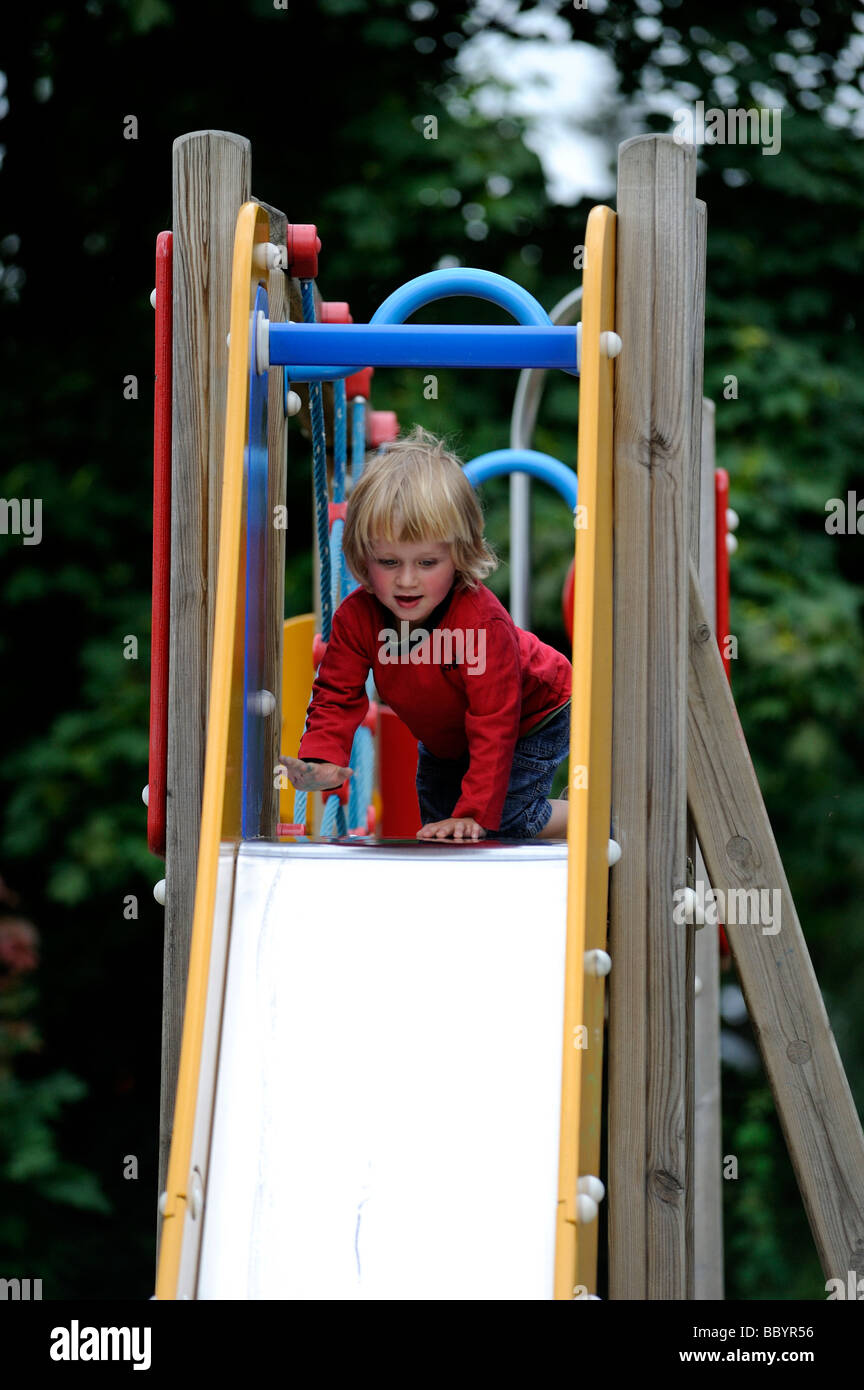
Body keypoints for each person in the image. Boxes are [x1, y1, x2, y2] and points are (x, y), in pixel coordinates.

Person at [279, 427, 572, 841]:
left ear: (459, 554)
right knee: (439, 823)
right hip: (445, 734)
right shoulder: (358, 618)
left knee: (500, 818)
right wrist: (322, 758)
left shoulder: (479, 623)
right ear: (363, 556)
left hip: (531, 714)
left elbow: (494, 721)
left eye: (428, 562)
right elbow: (335, 692)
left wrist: (473, 812)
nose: (407, 580)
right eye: (389, 561)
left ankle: (584, 820)